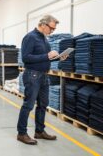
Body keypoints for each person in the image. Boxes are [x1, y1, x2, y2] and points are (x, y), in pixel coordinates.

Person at [17, 15, 68, 145]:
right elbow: (26, 58)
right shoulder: (30, 37)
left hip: (44, 75)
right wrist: (46, 55)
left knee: (43, 105)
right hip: (33, 75)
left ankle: (39, 131)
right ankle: (21, 133)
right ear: (43, 25)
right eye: (51, 28)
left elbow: (46, 58)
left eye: (54, 29)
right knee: (28, 105)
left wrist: (59, 58)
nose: (52, 31)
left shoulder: (44, 39)